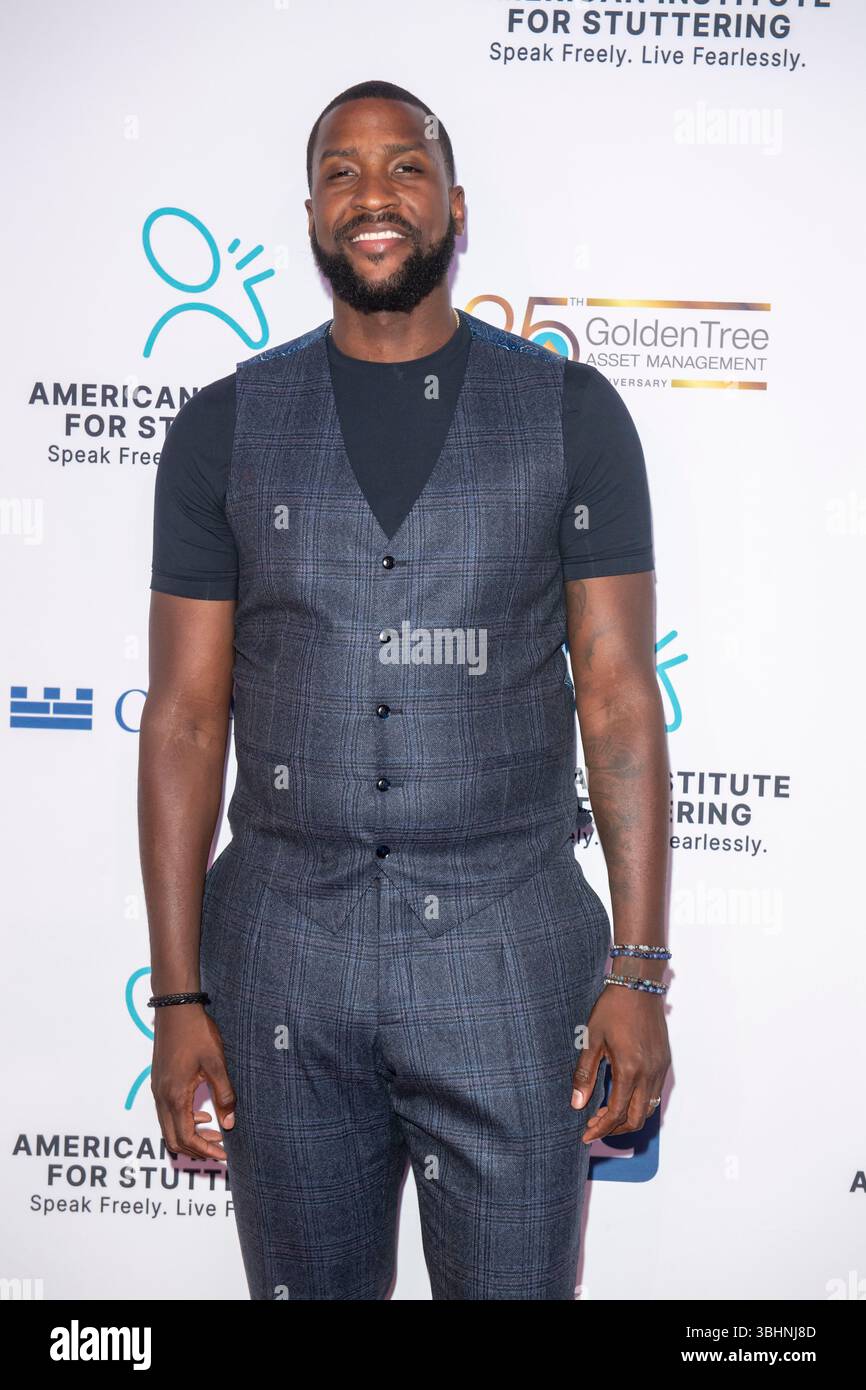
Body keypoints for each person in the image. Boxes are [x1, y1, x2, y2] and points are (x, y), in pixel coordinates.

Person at [139, 78, 672, 1301]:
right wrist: (177, 995)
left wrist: (636, 971)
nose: (371, 193)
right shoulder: (222, 427)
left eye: (403, 167)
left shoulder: (570, 416)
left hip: (510, 955)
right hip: (280, 959)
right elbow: (180, 718)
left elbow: (617, 698)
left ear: (456, 208)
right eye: (339, 170)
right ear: (312, 214)